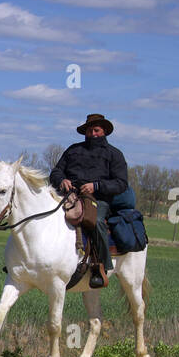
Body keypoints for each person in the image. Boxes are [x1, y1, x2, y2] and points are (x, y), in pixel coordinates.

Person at [49, 113, 133, 287]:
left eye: (96, 130)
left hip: (97, 200)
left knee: (95, 222)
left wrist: (96, 186)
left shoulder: (114, 155)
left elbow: (121, 183)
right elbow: (56, 172)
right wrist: (61, 180)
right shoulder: (73, 150)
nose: (92, 133)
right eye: (89, 130)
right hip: (68, 196)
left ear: (104, 131)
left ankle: (99, 266)